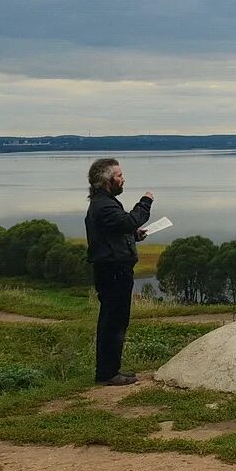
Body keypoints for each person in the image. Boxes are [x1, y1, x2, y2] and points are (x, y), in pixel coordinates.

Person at [85, 158, 154, 385]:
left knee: (115, 321)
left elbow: (115, 231)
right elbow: (129, 221)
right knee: (113, 322)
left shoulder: (104, 203)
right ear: (107, 181)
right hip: (113, 270)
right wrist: (145, 202)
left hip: (114, 268)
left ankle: (111, 370)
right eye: (119, 176)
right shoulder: (104, 205)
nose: (123, 179)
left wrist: (134, 236)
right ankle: (107, 374)